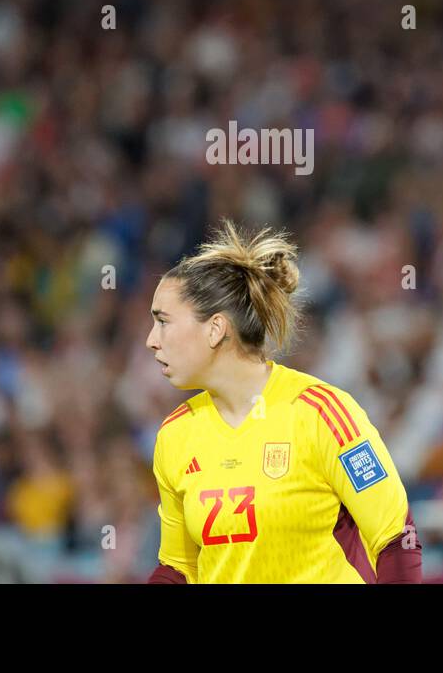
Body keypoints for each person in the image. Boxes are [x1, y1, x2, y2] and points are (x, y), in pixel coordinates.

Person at [145, 220, 422, 583]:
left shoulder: (320, 414)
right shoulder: (175, 435)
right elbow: (178, 568)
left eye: (163, 322)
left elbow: (396, 539)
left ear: (215, 329)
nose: (152, 340)